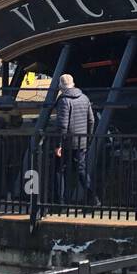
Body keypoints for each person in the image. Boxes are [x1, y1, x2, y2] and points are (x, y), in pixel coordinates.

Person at [48, 74, 97, 206]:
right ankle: (93, 198)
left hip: (67, 142)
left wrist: (58, 145)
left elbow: (63, 125)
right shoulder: (84, 98)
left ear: (61, 86)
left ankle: (60, 202)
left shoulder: (64, 100)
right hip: (81, 141)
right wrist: (87, 138)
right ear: (73, 83)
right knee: (81, 170)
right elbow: (91, 120)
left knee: (59, 170)